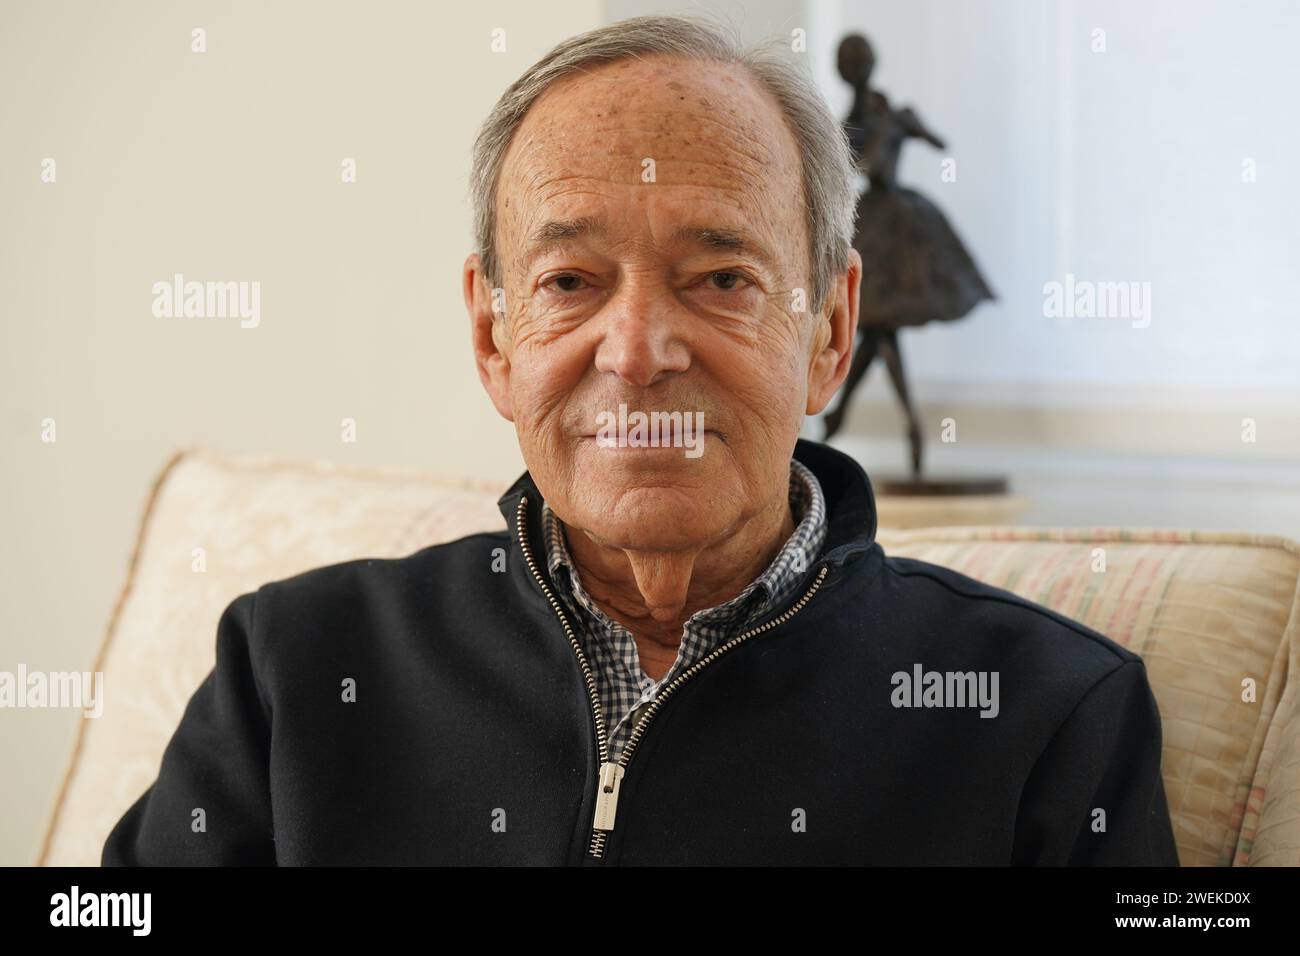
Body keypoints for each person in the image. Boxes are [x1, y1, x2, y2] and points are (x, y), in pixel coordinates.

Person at [102, 14, 1178, 866]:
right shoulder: (294, 669)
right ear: (492, 338)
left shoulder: (1047, 709)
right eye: (570, 281)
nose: (638, 350)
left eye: (721, 278)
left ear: (831, 330)